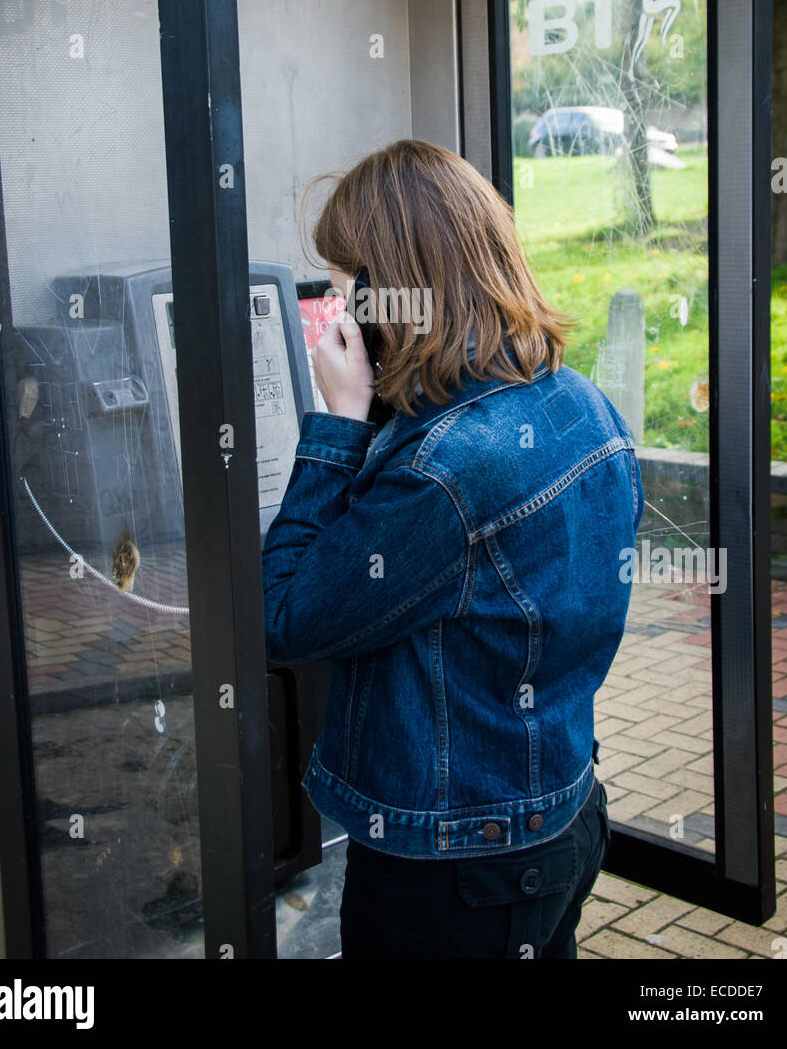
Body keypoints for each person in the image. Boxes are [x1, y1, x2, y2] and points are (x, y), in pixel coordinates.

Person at [261, 139, 644, 959]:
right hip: (561, 815)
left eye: (343, 287)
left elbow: (286, 616)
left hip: (456, 869)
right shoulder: (582, 404)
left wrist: (334, 427)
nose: (339, 313)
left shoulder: (446, 471)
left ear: (391, 291)